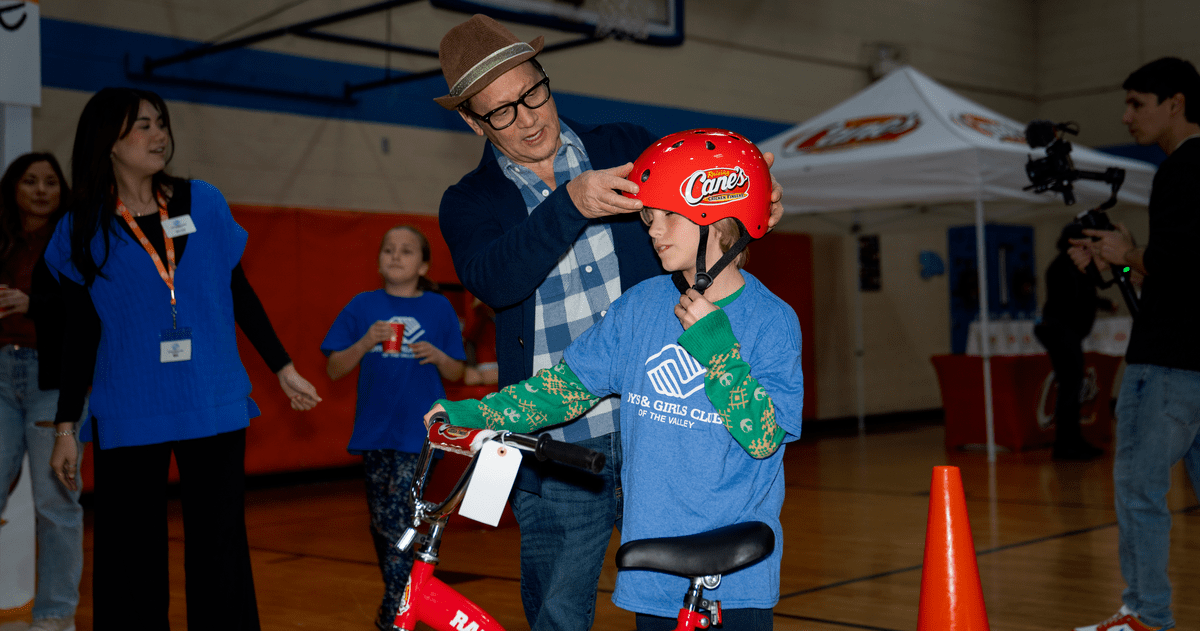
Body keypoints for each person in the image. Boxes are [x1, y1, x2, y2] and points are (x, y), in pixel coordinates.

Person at [433, 16, 786, 630]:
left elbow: (700, 184)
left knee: (699, 600)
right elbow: (496, 282)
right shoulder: (469, 202)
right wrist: (569, 204)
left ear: (545, 78)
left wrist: (752, 195)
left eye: (532, 93)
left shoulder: (625, 143)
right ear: (472, 121)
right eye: (502, 113)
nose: (529, 118)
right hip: (563, 443)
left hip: (669, 429)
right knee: (561, 611)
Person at [42, 87, 322, 631]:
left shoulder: (205, 202)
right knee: (131, 555)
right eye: (142, 125)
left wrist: (282, 365)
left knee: (219, 547)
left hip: (212, 397)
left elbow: (238, 290)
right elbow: (78, 334)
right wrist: (65, 427)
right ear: (109, 142)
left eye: (161, 123)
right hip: (129, 405)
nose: (159, 134)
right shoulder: (80, 229)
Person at [1070, 57, 1200, 631]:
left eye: (1137, 104)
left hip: (1167, 364)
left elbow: (1172, 263)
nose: (1126, 117)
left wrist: (1128, 256)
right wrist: (1122, 259)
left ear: (1176, 103)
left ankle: (1147, 616)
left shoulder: (1180, 171)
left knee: (1139, 494)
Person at [320, 225, 466, 631]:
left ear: (423, 265)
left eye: (407, 251)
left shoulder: (437, 309)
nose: (396, 256)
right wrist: (365, 341)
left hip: (419, 435)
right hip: (373, 433)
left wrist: (437, 355)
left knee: (400, 518)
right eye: (388, 249)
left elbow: (458, 370)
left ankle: (393, 611)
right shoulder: (363, 306)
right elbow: (334, 368)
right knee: (383, 521)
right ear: (378, 260)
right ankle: (405, 600)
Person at [0, 153, 85, 631]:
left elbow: (86, 310)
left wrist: (34, 304)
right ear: (14, 188)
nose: (40, 190)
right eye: (30, 181)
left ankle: (55, 615)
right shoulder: (3, 239)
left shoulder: (74, 239)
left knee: (56, 502)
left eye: (51, 182)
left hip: (52, 382)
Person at [1033, 224, 1116, 461]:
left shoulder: (1073, 267)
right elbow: (1074, 298)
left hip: (1067, 333)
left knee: (1072, 387)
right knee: (1070, 387)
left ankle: (1072, 441)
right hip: (1061, 332)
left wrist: (1104, 303)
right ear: (1073, 243)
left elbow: (1086, 294)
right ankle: (1065, 444)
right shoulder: (1063, 267)